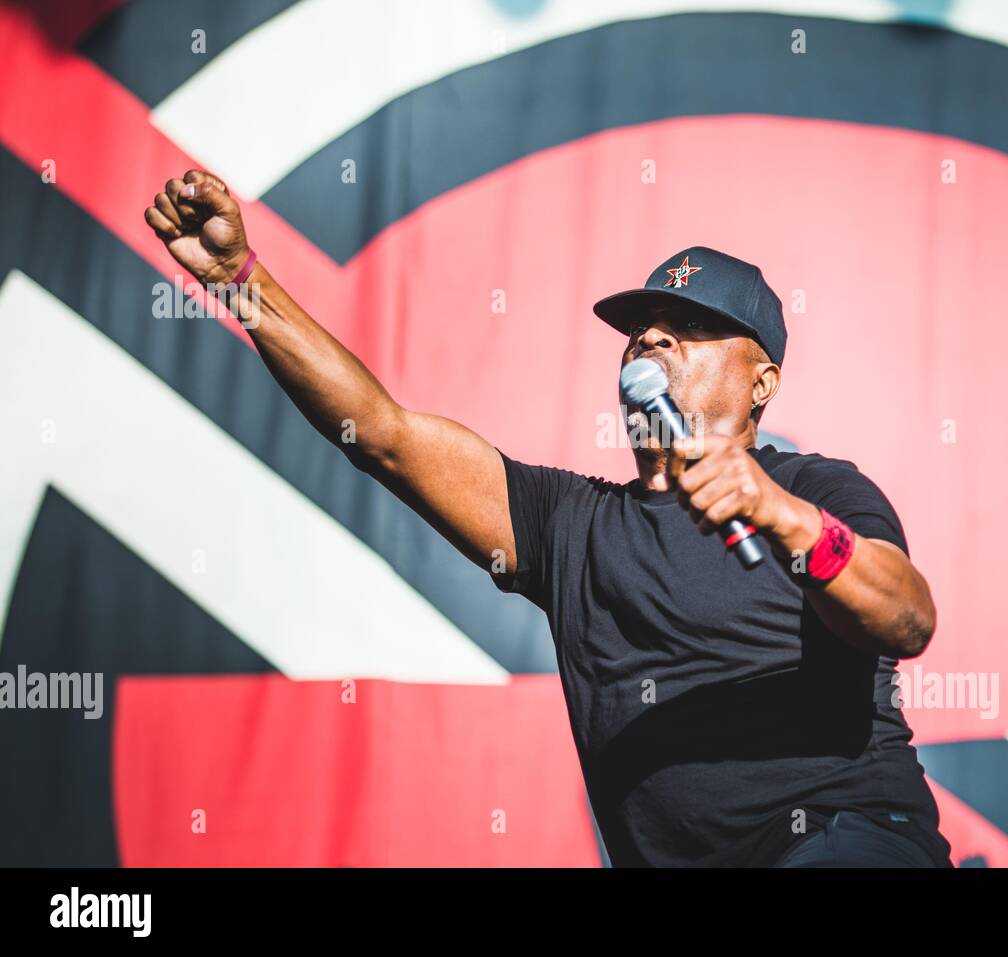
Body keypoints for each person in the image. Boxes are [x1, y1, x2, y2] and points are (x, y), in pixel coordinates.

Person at [145, 170, 953, 868]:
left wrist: (787, 519)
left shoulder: (816, 490)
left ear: (762, 383)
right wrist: (239, 280)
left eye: (692, 327)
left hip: (848, 839)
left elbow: (907, 617)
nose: (651, 337)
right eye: (640, 330)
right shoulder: (570, 523)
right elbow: (384, 434)